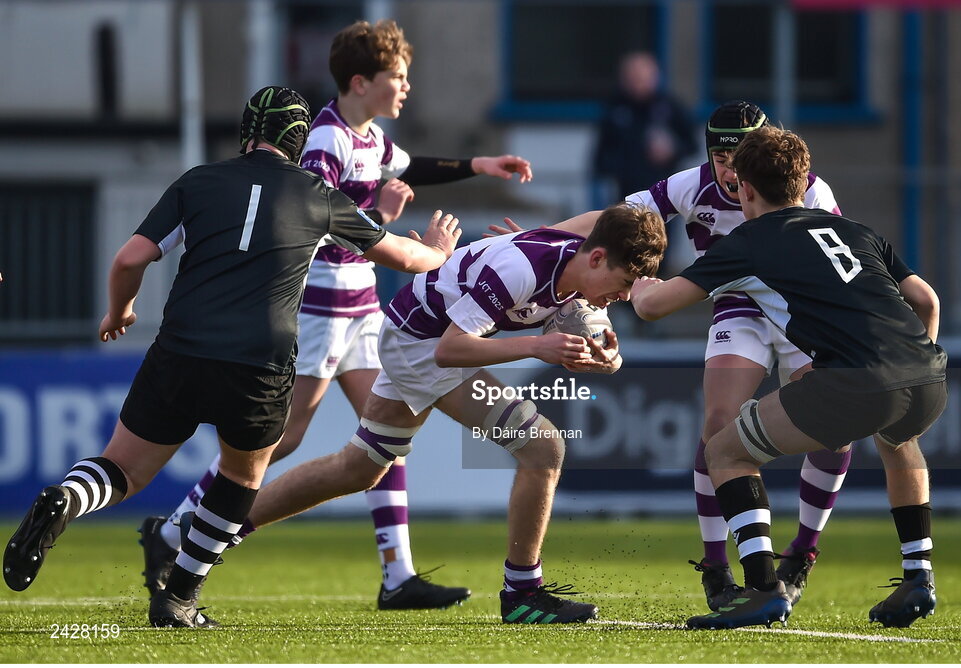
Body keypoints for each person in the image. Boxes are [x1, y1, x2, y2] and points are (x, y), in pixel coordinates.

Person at [3, 86, 461, 629]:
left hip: (181, 347)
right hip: (258, 361)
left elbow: (130, 258)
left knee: (121, 467)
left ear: (248, 132)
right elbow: (404, 257)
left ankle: (66, 498)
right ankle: (178, 600)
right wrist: (437, 249)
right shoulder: (316, 191)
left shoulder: (197, 181)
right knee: (242, 479)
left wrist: (118, 312)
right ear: (299, 142)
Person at [139, 19, 533, 611]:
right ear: (360, 81)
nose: (406, 88)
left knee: (384, 433)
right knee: (287, 436)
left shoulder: (369, 136)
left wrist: (479, 164)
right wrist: (382, 210)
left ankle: (397, 575)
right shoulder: (325, 140)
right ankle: (172, 534)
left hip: (363, 307)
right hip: (323, 305)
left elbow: (409, 166)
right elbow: (305, 224)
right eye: (397, 77)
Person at [222, 202, 666, 625]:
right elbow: (450, 348)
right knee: (543, 447)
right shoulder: (521, 270)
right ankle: (522, 594)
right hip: (422, 347)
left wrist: (607, 356)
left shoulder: (574, 258)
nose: (624, 296)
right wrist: (537, 346)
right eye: (624, 282)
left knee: (357, 468)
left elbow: (572, 310)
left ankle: (209, 533)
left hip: (410, 334)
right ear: (598, 257)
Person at [630, 124, 946, 630]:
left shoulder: (752, 240)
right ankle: (918, 577)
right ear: (802, 183)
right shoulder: (857, 231)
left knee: (725, 451)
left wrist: (640, 287)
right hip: (927, 373)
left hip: (855, 381)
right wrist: (919, 359)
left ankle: (761, 589)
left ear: (745, 189)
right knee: (899, 443)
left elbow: (654, 308)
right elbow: (926, 299)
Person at [625, 100, 853, 611]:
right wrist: (546, 241)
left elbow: (841, 260)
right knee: (718, 426)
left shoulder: (810, 190)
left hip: (802, 313)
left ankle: (802, 551)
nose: (729, 171)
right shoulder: (690, 184)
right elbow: (619, 218)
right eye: (719, 157)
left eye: (738, 157)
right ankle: (716, 564)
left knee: (833, 430)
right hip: (739, 305)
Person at [592, 51, 697, 202]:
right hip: (625, 194)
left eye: (642, 78)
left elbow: (692, 145)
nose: (637, 84)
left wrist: (672, 150)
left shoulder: (670, 107)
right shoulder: (614, 109)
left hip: (664, 195)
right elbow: (601, 158)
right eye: (632, 78)